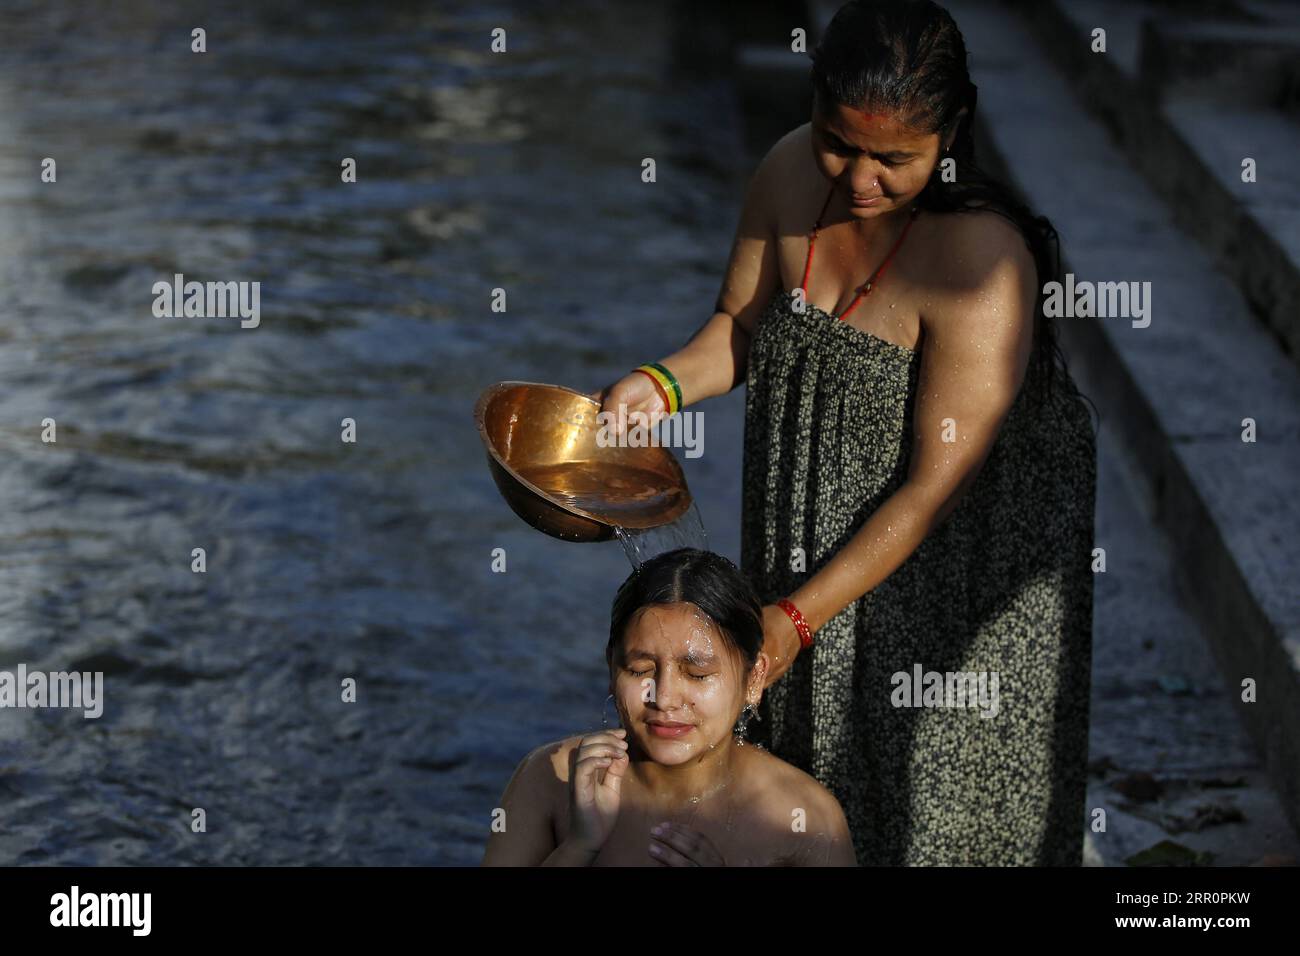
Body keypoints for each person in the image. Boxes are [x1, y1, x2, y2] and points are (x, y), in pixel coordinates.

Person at [590, 0, 1098, 865]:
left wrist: (794, 617)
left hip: (952, 559)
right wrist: (662, 384)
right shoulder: (791, 171)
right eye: (840, 142)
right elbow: (742, 328)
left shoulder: (981, 263)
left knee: (932, 788)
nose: (860, 179)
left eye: (894, 159)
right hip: (808, 530)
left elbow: (932, 490)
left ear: (951, 132)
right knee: (811, 765)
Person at [482, 548, 856, 866]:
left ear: (754, 678)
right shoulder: (550, 779)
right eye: (640, 670)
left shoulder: (804, 820)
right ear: (611, 667)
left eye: (696, 674)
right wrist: (579, 847)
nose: (663, 698)